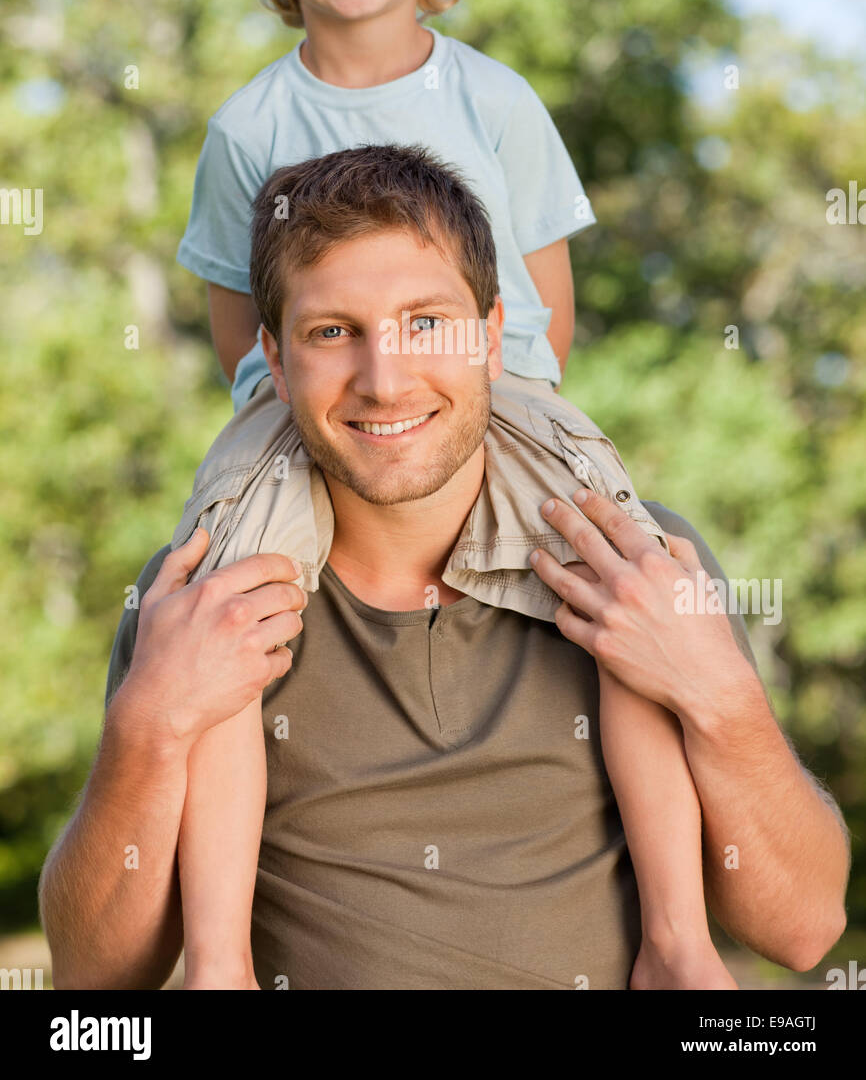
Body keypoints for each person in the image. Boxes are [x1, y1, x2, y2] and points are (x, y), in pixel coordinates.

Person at [39, 146, 850, 990]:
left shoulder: (642, 569)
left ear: (493, 339)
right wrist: (148, 727)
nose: (384, 382)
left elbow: (802, 931)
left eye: (426, 323)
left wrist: (721, 699)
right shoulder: (202, 595)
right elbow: (95, 984)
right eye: (331, 332)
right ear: (276, 363)